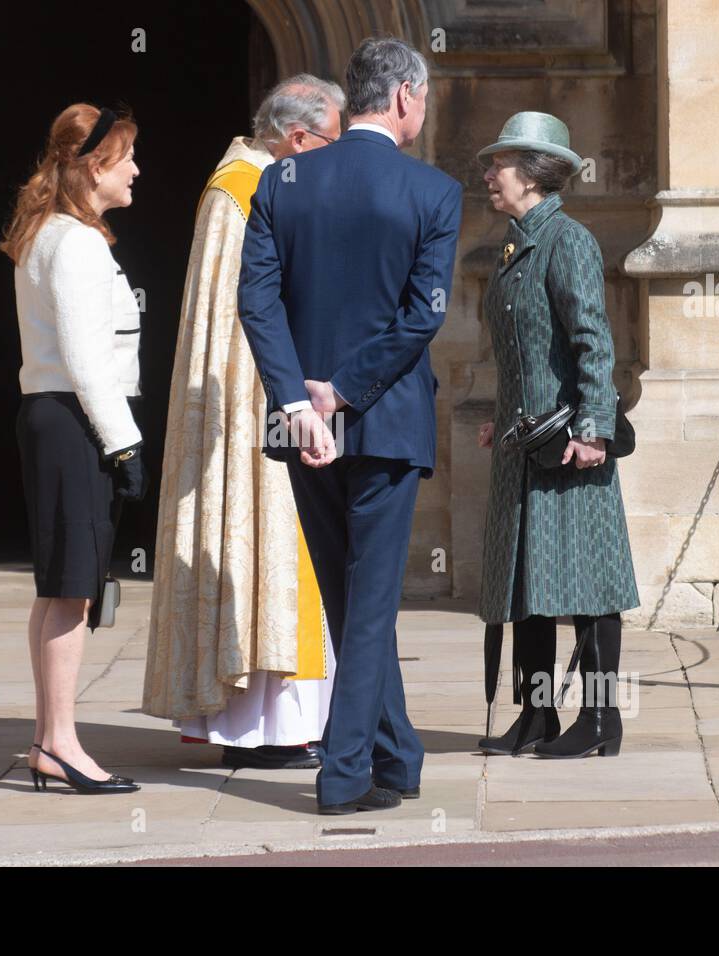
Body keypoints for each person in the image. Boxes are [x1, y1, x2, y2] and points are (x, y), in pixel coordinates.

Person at [239, 37, 462, 814]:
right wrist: (341, 392)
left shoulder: (283, 181)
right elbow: (421, 318)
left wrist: (300, 402)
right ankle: (345, 773)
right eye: (424, 99)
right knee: (367, 605)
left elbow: (256, 304)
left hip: (303, 425)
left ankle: (398, 756)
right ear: (403, 97)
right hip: (383, 418)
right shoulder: (432, 191)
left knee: (348, 600)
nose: (423, 111)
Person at [143, 75, 345, 772]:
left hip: (284, 395)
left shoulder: (259, 179)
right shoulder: (245, 190)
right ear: (298, 139)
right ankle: (265, 730)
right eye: (331, 143)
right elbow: (242, 325)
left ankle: (282, 726)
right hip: (260, 405)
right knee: (271, 551)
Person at [473, 111, 639, 760]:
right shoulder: (517, 246)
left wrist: (595, 431)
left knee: (590, 584)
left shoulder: (567, 241)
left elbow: (594, 344)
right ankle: (537, 716)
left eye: (502, 162)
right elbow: (524, 351)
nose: (490, 172)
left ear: (535, 174)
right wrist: (501, 411)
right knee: (529, 586)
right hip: (525, 446)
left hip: (572, 445)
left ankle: (601, 722)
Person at [3, 104, 144, 795]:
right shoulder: (78, 244)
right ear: (94, 167)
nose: (136, 171)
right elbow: (90, 362)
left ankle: (47, 740)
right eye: (126, 160)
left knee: (61, 590)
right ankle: (59, 743)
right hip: (76, 420)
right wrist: (124, 447)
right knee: (71, 594)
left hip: (52, 416)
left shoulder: (47, 232)